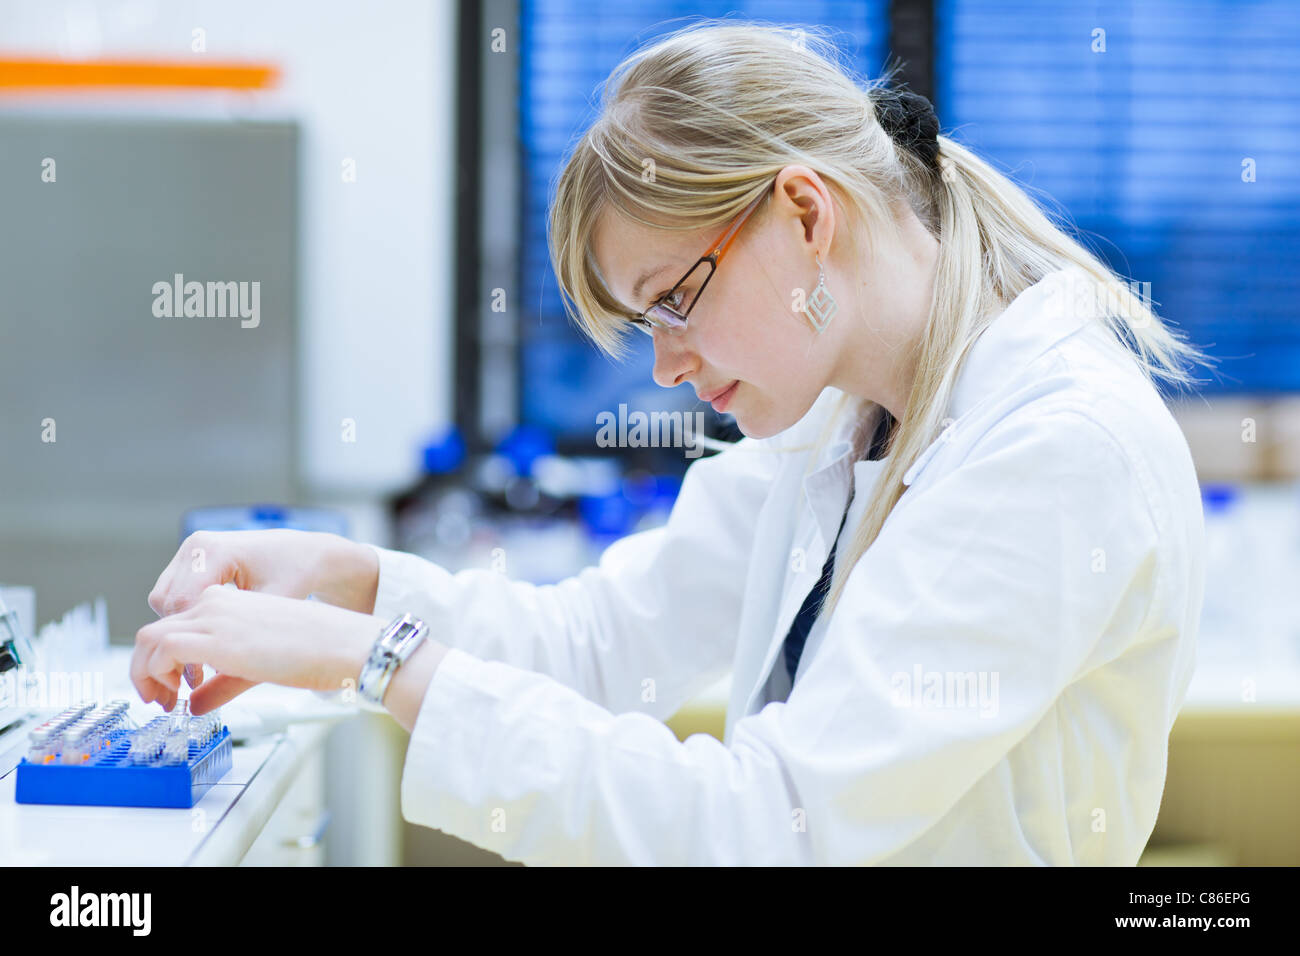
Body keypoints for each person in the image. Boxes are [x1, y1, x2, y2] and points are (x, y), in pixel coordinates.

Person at [133, 21, 1212, 865]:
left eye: (673, 301)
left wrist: (373, 663)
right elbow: (599, 642)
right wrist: (345, 582)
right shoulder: (848, 415)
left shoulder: (1052, 447)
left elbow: (769, 825)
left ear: (803, 212)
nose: (666, 366)